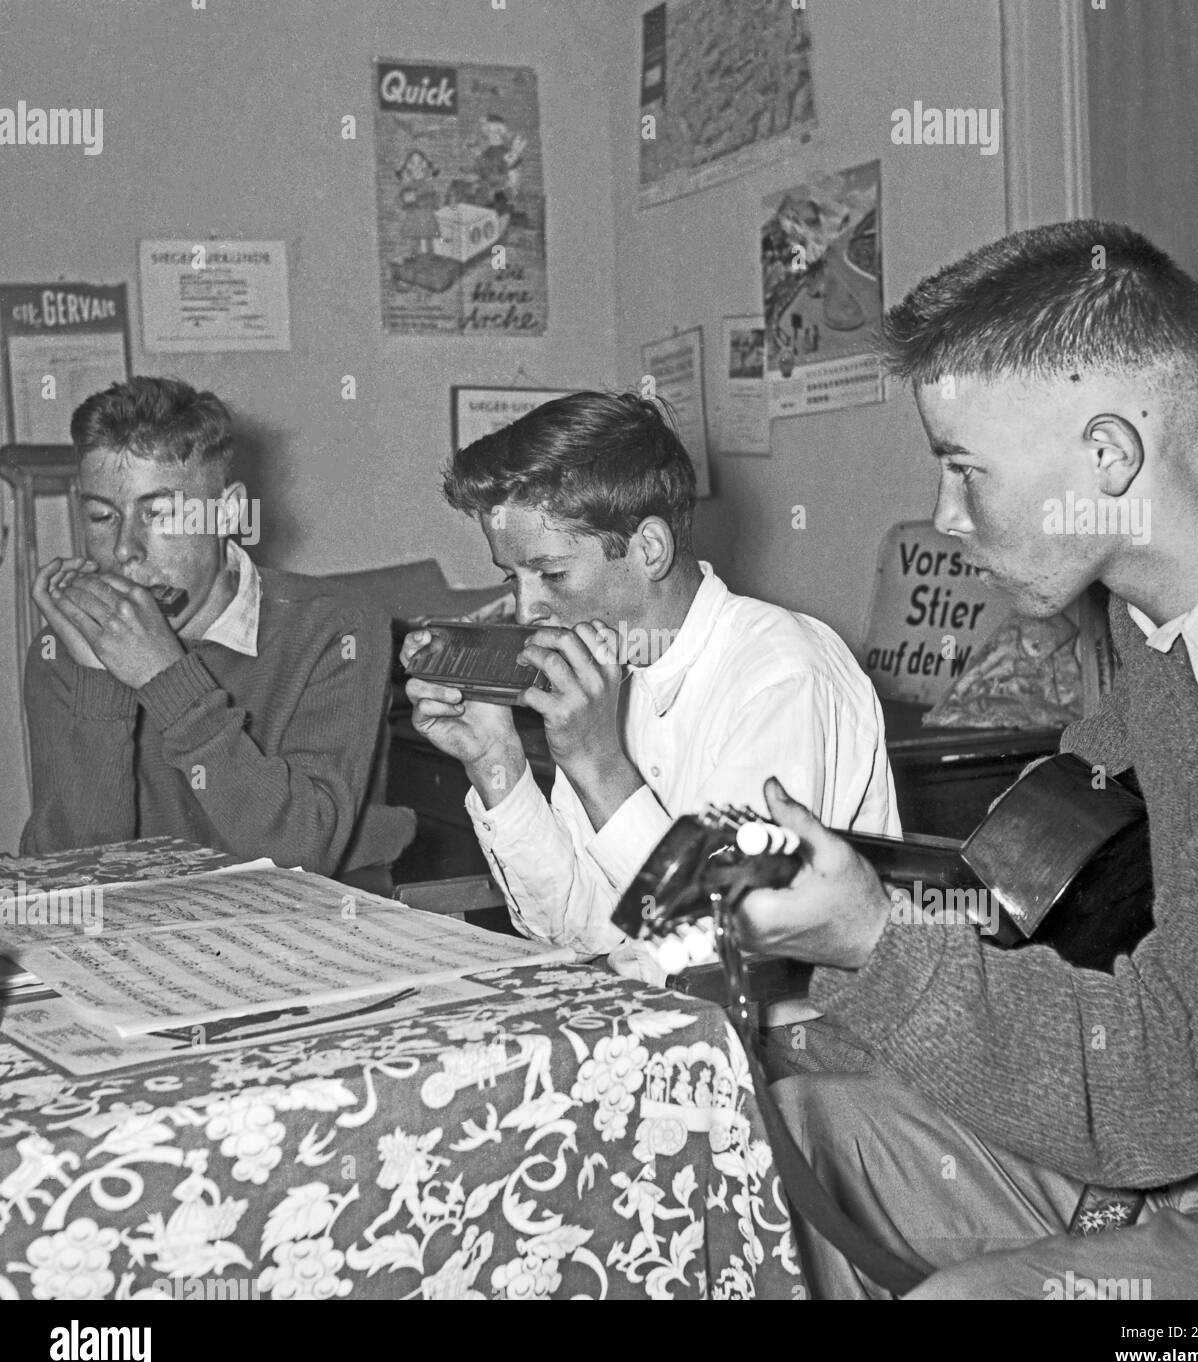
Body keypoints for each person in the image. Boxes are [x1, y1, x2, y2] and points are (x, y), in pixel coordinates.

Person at [733, 220, 1198, 1299]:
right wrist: (848, 950)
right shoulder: (1157, 617)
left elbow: (1161, 1089)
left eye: (963, 471)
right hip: (1183, 1140)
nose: (944, 517)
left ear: (1108, 457)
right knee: (776, 1133)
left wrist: (870, 942)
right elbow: (1036, 874)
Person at [403, 390, 899, 975]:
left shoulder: (783, 674)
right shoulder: (609, 665)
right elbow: (577, 926)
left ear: (649, 549)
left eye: (551, 572)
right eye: (513, 576)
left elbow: (726, 942)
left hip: (786, 1040)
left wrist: (599, 764)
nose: (524, 608)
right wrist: (496, 761)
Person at [21, 376, 414, 885]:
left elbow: (299, 855)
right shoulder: (64, 649)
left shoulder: (336, 628)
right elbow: (68, 879)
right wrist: (99, 681)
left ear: (227, 512)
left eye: (160, 514)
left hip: (307, 925)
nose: (124, 550)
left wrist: (166, 677)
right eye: (101, 516)